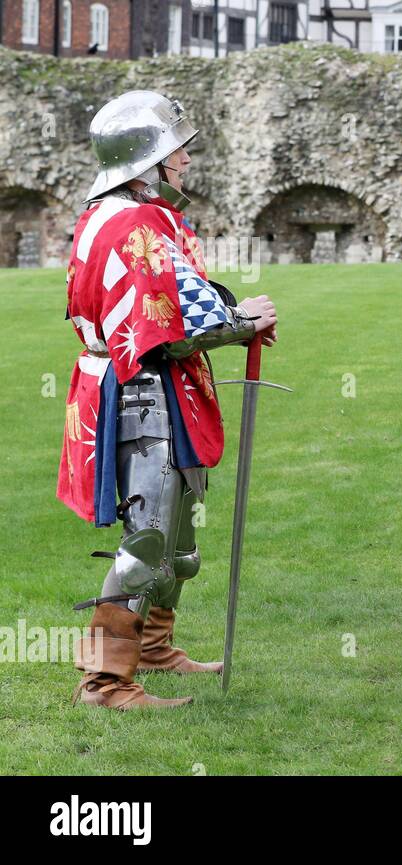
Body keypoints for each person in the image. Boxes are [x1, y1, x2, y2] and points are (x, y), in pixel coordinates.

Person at [60, 91, 278, 710]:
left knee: (178, 549)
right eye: (175, 150)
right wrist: (244, 321)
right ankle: (104, 682)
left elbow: (180, 300)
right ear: (147, 161)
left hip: (155, 388)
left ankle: (153, 647)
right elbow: (173, 332)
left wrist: (232, 313)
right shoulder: (133, 225)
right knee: (146, 546)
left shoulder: (119, 214)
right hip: (141, 391)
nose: (185, 160)